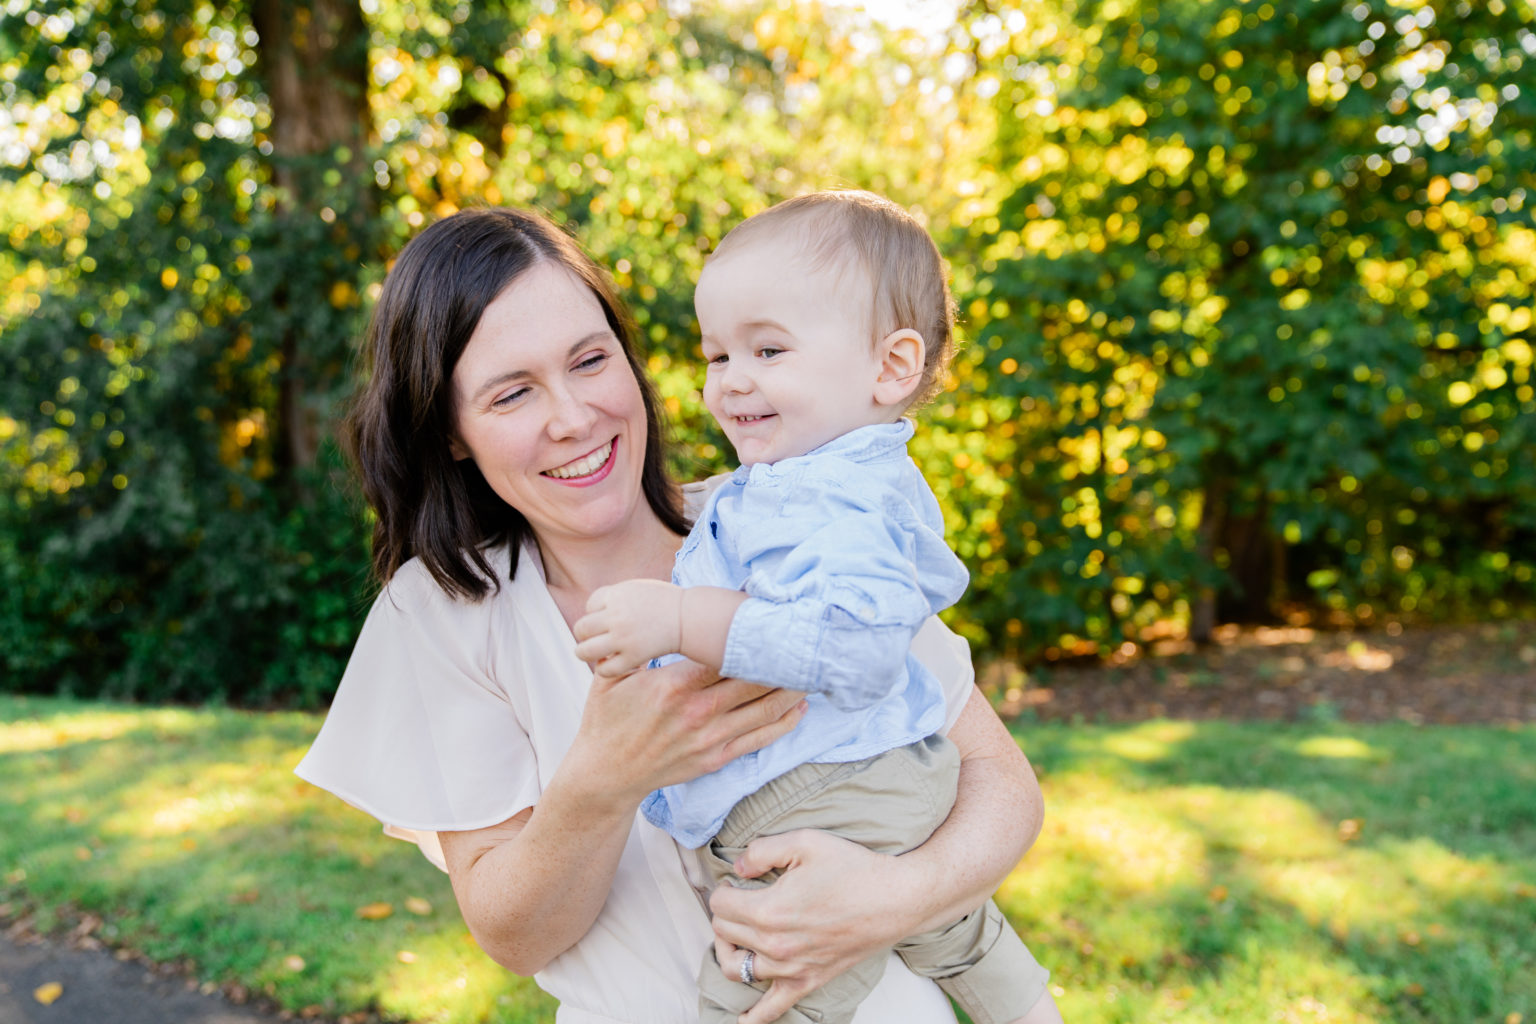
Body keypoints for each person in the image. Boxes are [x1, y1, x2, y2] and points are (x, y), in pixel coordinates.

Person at [294, 205, 1056, 1024]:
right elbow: (514, 936)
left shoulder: (787, 508)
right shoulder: (446, 616)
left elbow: (1003, 784)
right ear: (450, 432)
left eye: (590, 361)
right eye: (512, 393)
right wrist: (604, 776)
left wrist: (893, 898)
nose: (572, 417)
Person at [571, 191, 1056, 1024]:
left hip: (829, 790)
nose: (733, 381)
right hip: (866, 775)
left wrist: (679, 621)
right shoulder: (810, 480)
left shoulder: (834, 498)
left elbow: (855, 650)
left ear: (891, 367)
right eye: (718, 355)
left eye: (768, 348)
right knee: (959, 934)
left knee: (757, 988)